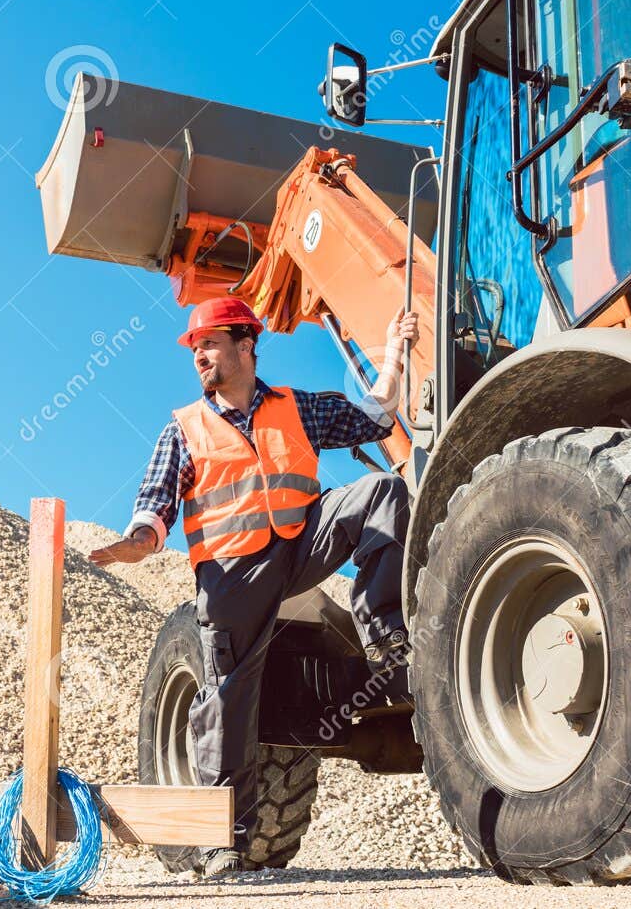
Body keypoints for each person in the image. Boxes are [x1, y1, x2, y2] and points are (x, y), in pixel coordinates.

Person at [90, 296, 415, 877]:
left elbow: (376, 415)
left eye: (209, 343)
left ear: (246, 346)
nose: (200, 356)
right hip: (231, 574)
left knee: (383, 494)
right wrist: (139, 540)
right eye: (195, 348)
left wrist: (392, 353)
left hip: (298, 542)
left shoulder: (295, 407)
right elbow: (154, 504)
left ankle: (387, 636)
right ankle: (222, 839)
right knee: (230, 699)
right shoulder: (185, 428)